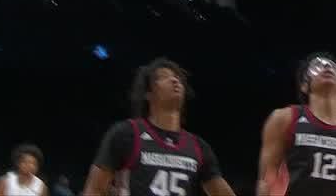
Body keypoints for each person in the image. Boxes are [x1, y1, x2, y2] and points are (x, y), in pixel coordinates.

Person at [82, 58, 235, 196]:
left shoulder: (198, 146)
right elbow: (94, 189)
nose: (174, 80)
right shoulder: (126, 133)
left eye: (177, 78)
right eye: (164, 77)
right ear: (148, 93)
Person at [256, 53, 336, 196]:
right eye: (316, 67)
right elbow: (266, 180)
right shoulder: (284, 119)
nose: (326, 67)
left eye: (331, 66)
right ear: (304, 86)